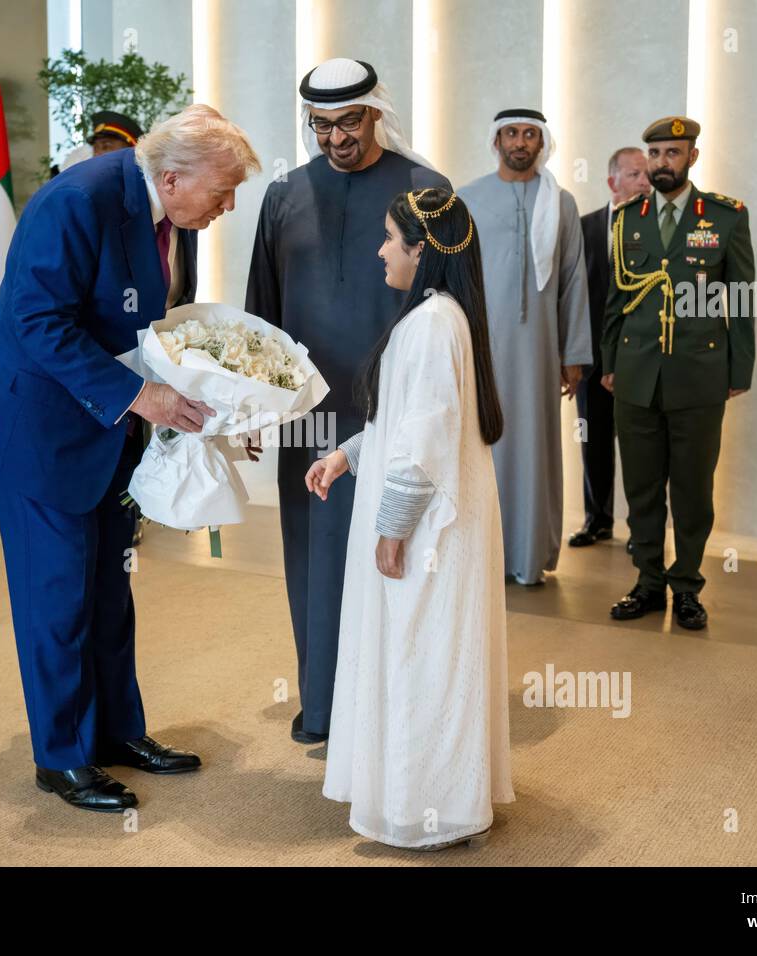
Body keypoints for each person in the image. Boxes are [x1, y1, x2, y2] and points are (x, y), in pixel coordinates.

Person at [0, 105, 261, 813]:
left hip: (106, 421)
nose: (228, 206)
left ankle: (119, 732)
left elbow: (137, 330)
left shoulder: (162, 211)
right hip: (35, 421)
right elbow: (37, 321)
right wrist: (139, 397)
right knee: (56, 594)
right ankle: (61, 757)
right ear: (176, 176)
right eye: (223, 192)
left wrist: (222, 403)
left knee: (109, 592)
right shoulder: (76, 200)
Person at [245, 58, 448, 746]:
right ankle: (324, 705)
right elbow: (261, 317)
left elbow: (456, 304)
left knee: (394, 553)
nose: (336, 137)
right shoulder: (283, 195)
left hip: (394, 411)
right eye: (321, 124)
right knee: (315, 559)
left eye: (349, 121)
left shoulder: (427, 190)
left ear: (377, 111)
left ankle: (392, 709)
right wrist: (250, 407)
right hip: (308, 417)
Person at [306, 187, 512, 850]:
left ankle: (425, 809)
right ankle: (436, 798)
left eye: (392, 239)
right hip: (437, 524)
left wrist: (392, 529)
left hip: (426, 534)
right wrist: (344, 455)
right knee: (429, 655)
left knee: (418, 657)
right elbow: (406, 424)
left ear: (423, 250)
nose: (381, 250)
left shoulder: (430, 324)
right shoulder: (444, 315)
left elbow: (422, 448)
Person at [601, 115, 755, 630]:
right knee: (642, 489)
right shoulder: (627, 219)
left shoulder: (726, 217)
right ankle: (647, 582)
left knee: (692, 490)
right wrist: (608, 363)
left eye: (673, 152)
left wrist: (740, 367)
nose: (662, 162)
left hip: (700, 372)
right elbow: (616, 298)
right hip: (636, 373)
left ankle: (686, 586)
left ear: (692, 157)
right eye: (655, 153)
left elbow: (740, 297)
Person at [458, 108, 593, 585]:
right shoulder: (466, 198)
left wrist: (573, 352)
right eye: (511, 133)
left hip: (540, 350)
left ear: (543, 142)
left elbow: (574, 279)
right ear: (496, 140)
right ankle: (481, 556)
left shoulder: (560, 202)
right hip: (481, 347)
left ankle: (528, 555)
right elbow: (455, 279)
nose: (520, 141)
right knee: (480, 446)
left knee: (532, 447)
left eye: (530, 134)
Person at [570, 146, 650, 548]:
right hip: (592, 357)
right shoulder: (583, 228)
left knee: (642, 446)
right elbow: (571, 297)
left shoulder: (658, 227)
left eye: (647, 175)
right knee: (594, 441)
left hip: (643, 356)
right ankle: (596, 519)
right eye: (635, 174)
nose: (645, 182)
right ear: (612, 181)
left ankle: (643, 528)